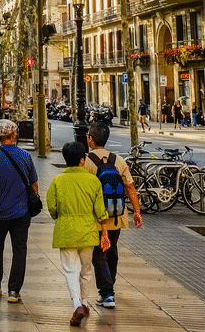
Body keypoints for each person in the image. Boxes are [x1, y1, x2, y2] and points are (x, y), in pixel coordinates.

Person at [48, 142, 110, 327]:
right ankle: (84, 301)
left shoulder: (57, 181)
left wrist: (61, 216)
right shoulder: (93, 181)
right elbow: (101, 211)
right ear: (83, 160)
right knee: (86, 270)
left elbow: (52, 208)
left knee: (70, 270)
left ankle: (77, 304)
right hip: (88, 231)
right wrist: (104, 234)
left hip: (66, 231)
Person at [84, 121, 142, 310]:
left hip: (97, 217)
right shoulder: (119, 160)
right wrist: (137, 211)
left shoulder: (86, 162)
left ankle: (107, 293)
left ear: (90, 139)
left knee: (98, 253)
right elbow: (130, 187)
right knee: (112, 251)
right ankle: (109, 286)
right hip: (117, 215)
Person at [0, 118, 38, 304]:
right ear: (13, 135)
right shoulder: (25, 157)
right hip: (22, 213)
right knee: (19, 250)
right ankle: (14, 291)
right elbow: (34, 184)